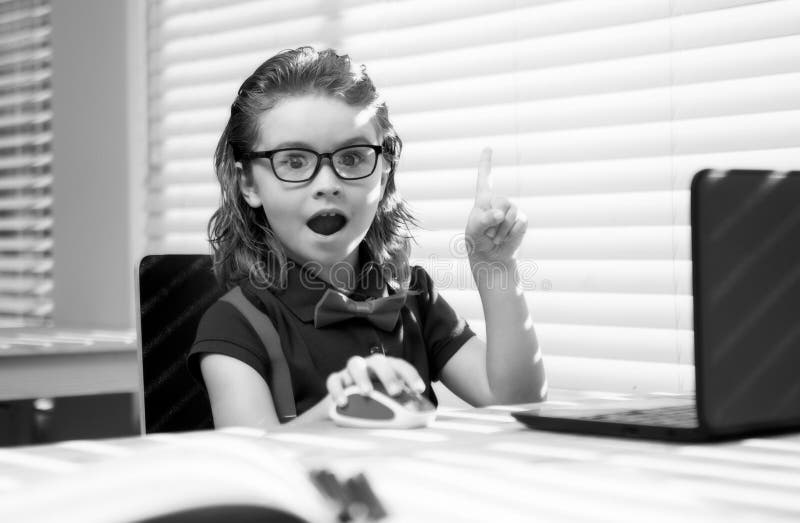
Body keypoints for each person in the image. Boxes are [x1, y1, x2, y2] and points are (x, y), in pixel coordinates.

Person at [188, 47, 546, 430]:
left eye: (353, 158)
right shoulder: (233, 322)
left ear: (384, 171)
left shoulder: (413, 294)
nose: (328, 185)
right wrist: (335, 411)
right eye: (294, 161)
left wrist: (497, 266)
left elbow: (516, 401)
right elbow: (249, 462)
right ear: (248, 183)